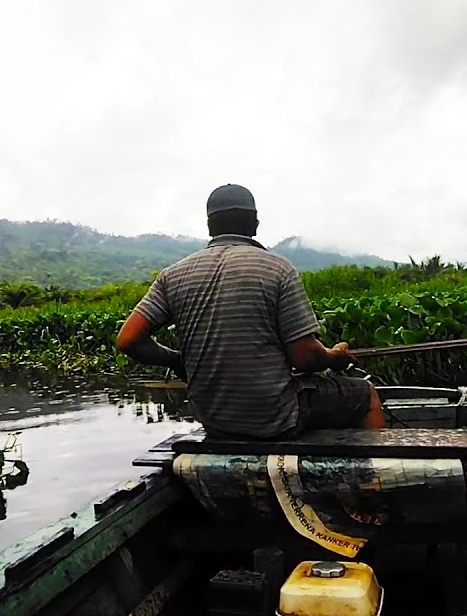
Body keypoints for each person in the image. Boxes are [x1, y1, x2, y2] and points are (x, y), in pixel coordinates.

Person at [115, 183, 385, 439]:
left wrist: (177, 361)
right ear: (254, 224)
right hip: (274, 419)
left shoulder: (172, 275)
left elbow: (128, 340)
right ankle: (375, 476)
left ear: (210, 227)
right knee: (366, 394)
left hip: (214, 420)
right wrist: (334, 356)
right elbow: (305, 358)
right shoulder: (278, 269)